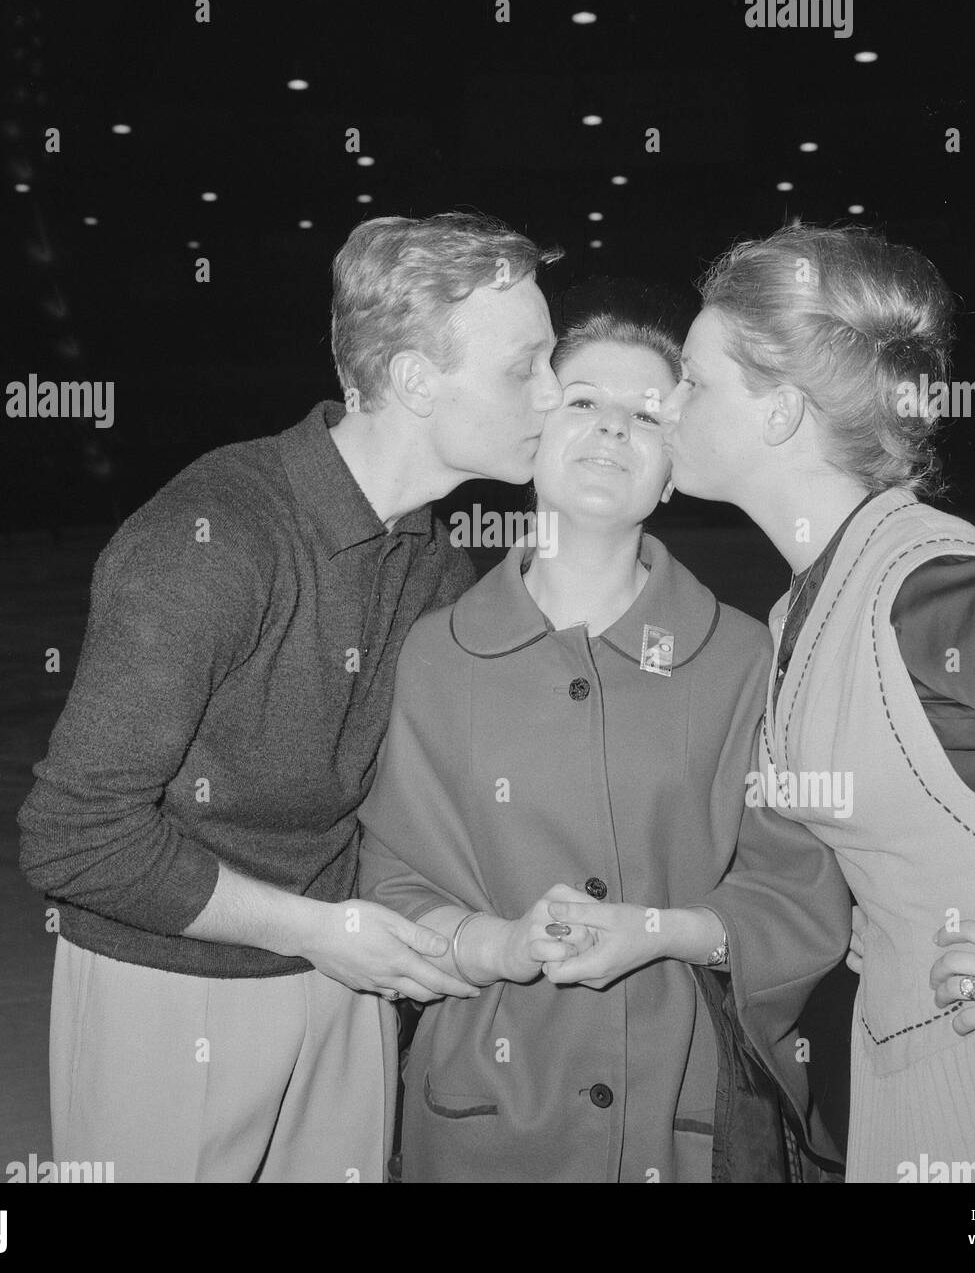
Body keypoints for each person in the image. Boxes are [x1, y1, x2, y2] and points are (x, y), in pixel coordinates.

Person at [16, 211, 568, 1182]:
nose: (553, 394)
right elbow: (73, 836)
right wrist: (320, 930)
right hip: (171, 977)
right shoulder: (215, 537)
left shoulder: (434, 563)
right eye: (525, 366)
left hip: (339, 982)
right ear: (412, 378)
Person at [661, 222, 975, 1182]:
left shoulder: (931, 593)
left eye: (692, 379)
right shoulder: (807, 597)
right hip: (919, 1066)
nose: (665, 404)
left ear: (778, 412)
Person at [358, 311, 850, 1183]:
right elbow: (394, 882)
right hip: (485, 1108)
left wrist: (662, 931)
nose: (615, 427)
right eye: (583, 399)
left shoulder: (743, 658)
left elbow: (799, 895)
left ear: (671, 474)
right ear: (535, 432)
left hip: (683, 1107)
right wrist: (497, 946)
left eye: (651, 413)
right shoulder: (434, 653)